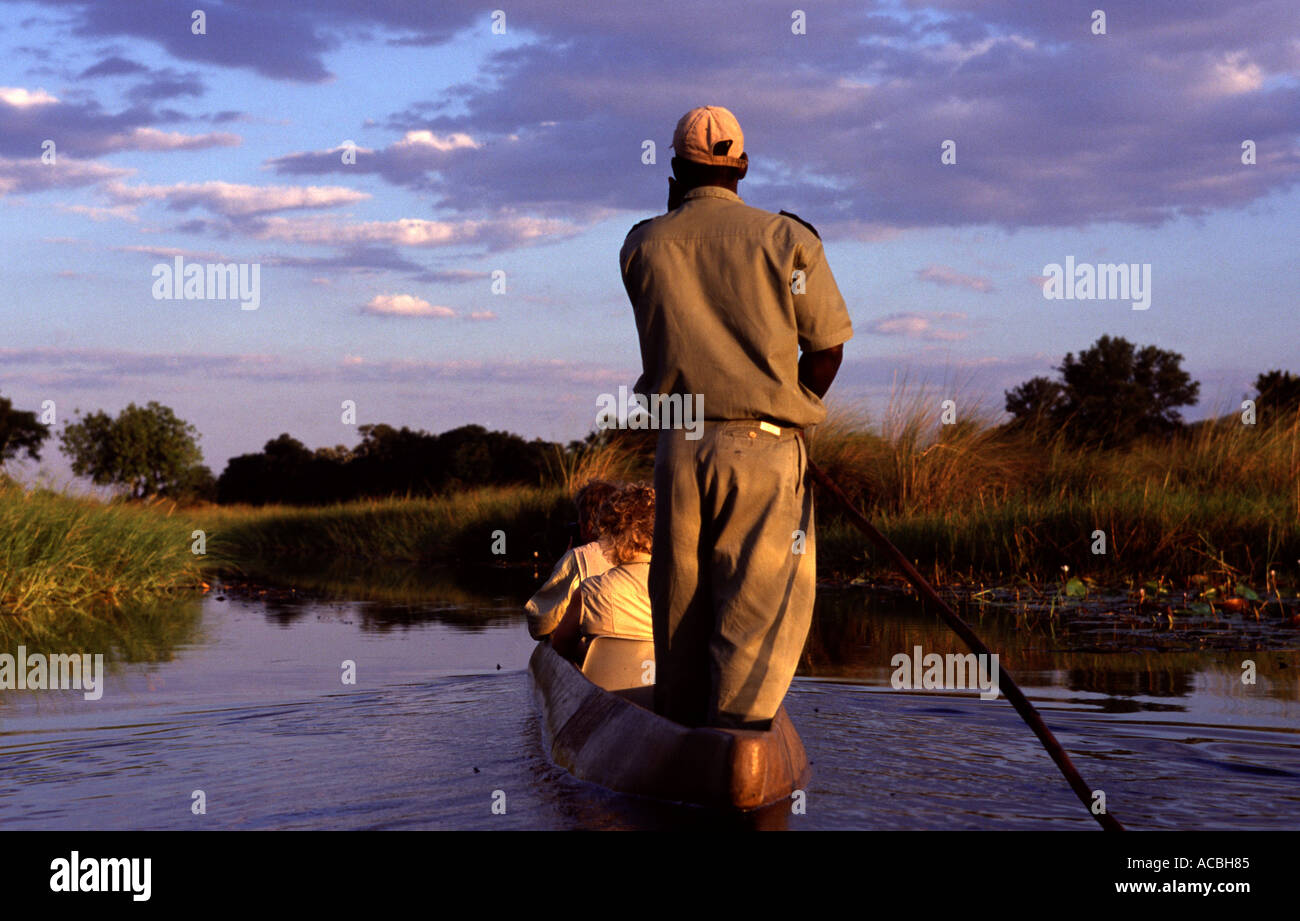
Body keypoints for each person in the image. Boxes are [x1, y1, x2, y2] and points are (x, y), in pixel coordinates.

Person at [619, 105, 853, 730]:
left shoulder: (642, 244)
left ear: (673, 167)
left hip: (680, 447)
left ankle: (680, 733)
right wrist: (788, 411)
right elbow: (826, 349)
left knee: (679, 601)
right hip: (766, 444)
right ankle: (739, 739)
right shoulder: (789, 240)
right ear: (743, 165)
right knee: (754, 604)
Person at [550, 484, 655, 661]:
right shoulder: (683, 587)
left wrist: (592, 658)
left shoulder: (588, 592)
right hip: (664, 679)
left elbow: (560, 645)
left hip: (606, 681)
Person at [524, 479, 619, 640]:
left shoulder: (579, 557)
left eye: (580, 518)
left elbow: (540, 624)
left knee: (554, 637)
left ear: (588, 525)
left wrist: (565, 563)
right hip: (645, 655)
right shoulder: (646, 553)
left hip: (593, 656)